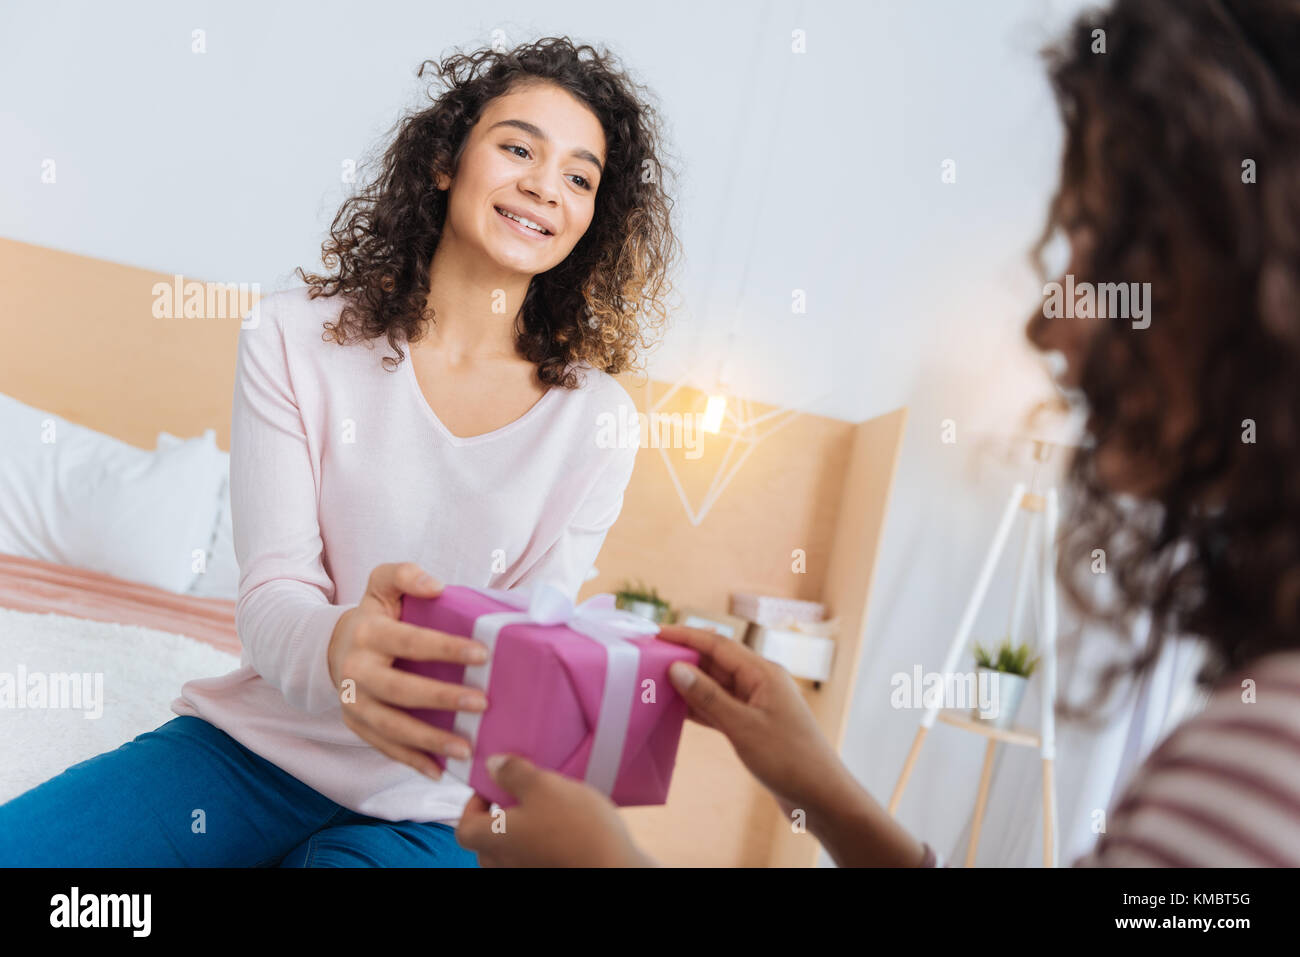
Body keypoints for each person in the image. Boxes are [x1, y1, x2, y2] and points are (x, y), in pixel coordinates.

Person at [455, 0, 1300, 867]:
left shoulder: (1263, 763)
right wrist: (822, 791)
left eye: (1100, 252)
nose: (1049, 327)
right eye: (517, 148)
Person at [0, 36, 679, 867]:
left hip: (430, 805)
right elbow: (274, 590)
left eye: (580, 175)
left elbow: (529, 644)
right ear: (445, 160)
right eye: (517, 147)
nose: (546, 184)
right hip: (251, 753)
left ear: (590, 219)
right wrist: (341, 645)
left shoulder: (596, 421)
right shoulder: (293, 336)